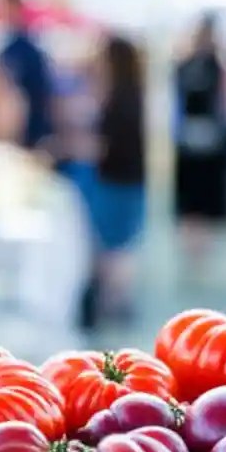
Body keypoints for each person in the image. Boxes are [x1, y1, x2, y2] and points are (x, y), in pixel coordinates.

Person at [81, 34, 147, 326]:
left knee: (113, 248)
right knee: (120, 247)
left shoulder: (119, 100)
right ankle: (117, 303)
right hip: (128, 179)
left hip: (116, 180)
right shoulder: (131, 94)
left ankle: (112, 306)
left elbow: (107, 145)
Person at [174, 15, 226, 257]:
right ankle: (195, 244)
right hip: (196, 139)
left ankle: (197, 245)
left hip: (202, 139)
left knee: (199, 197)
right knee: (195, 197)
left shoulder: (209, 66)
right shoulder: (195, 66)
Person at [0, 0, 55, 153]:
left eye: (2, 5)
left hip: (27, 134)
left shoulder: (26, 49)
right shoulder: (10, 47)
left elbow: (38, 95)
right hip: (16, 133)